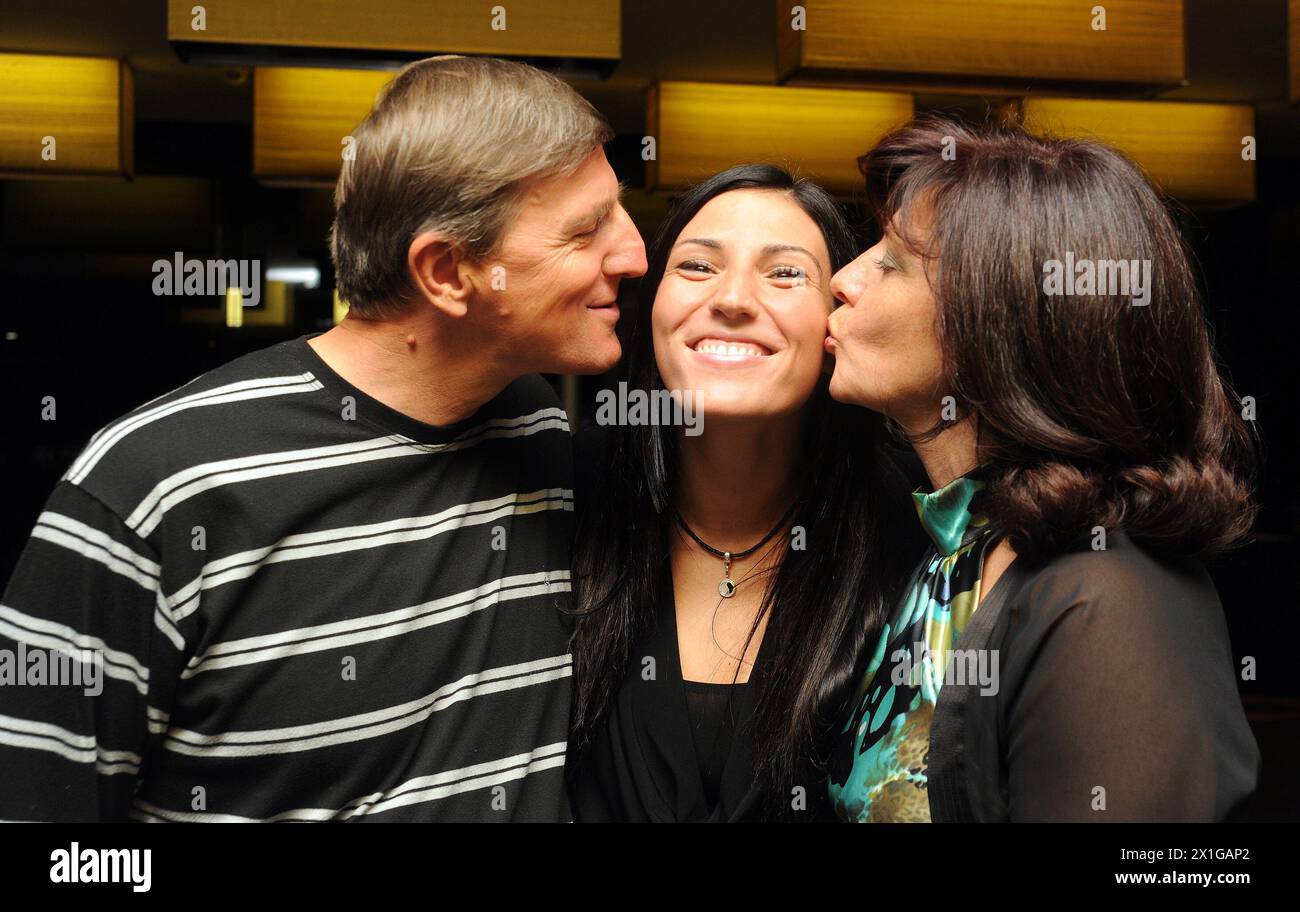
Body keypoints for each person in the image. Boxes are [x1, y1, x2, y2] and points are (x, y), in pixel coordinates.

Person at [0, 55, 646, 822]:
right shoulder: (156, 490)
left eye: (618, 210)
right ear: (446, 271)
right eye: (585, 230)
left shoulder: (534, 427)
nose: (634, 253)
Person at [824, 115, 1261, 822]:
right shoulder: (949, 553)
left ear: (995, 322)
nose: (843, 279)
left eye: (892, 262)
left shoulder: (1111, 599)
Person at [567, 164, 922, 822]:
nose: (732, 299)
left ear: (836, 318)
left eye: (785, 273)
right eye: (698, 267)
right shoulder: (558, 501)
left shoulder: (914, 532)